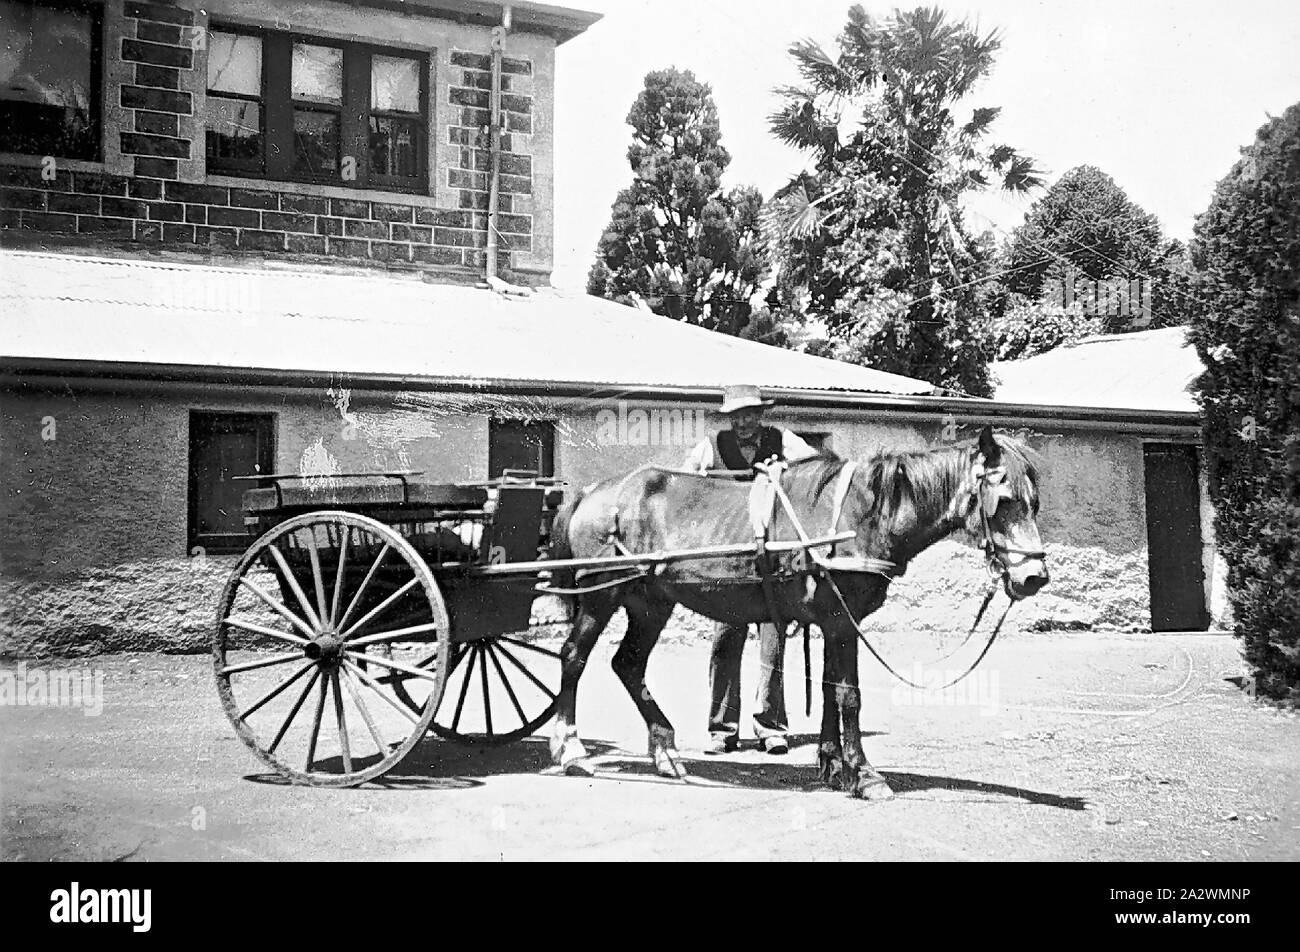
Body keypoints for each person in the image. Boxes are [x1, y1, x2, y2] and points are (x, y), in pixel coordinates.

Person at [683, 385, 818, 755]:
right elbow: (685, 490)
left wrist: (784, 472)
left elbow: (817, 473)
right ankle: (722, 730)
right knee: (725, 642)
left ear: (761, 415)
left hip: (774, 562)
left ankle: (771, 727)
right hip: (730, 562)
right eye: (736, 416)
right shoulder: (711, 447)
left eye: (749, 415)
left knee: (773, 644)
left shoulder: (784, 441)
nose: (743, 422)